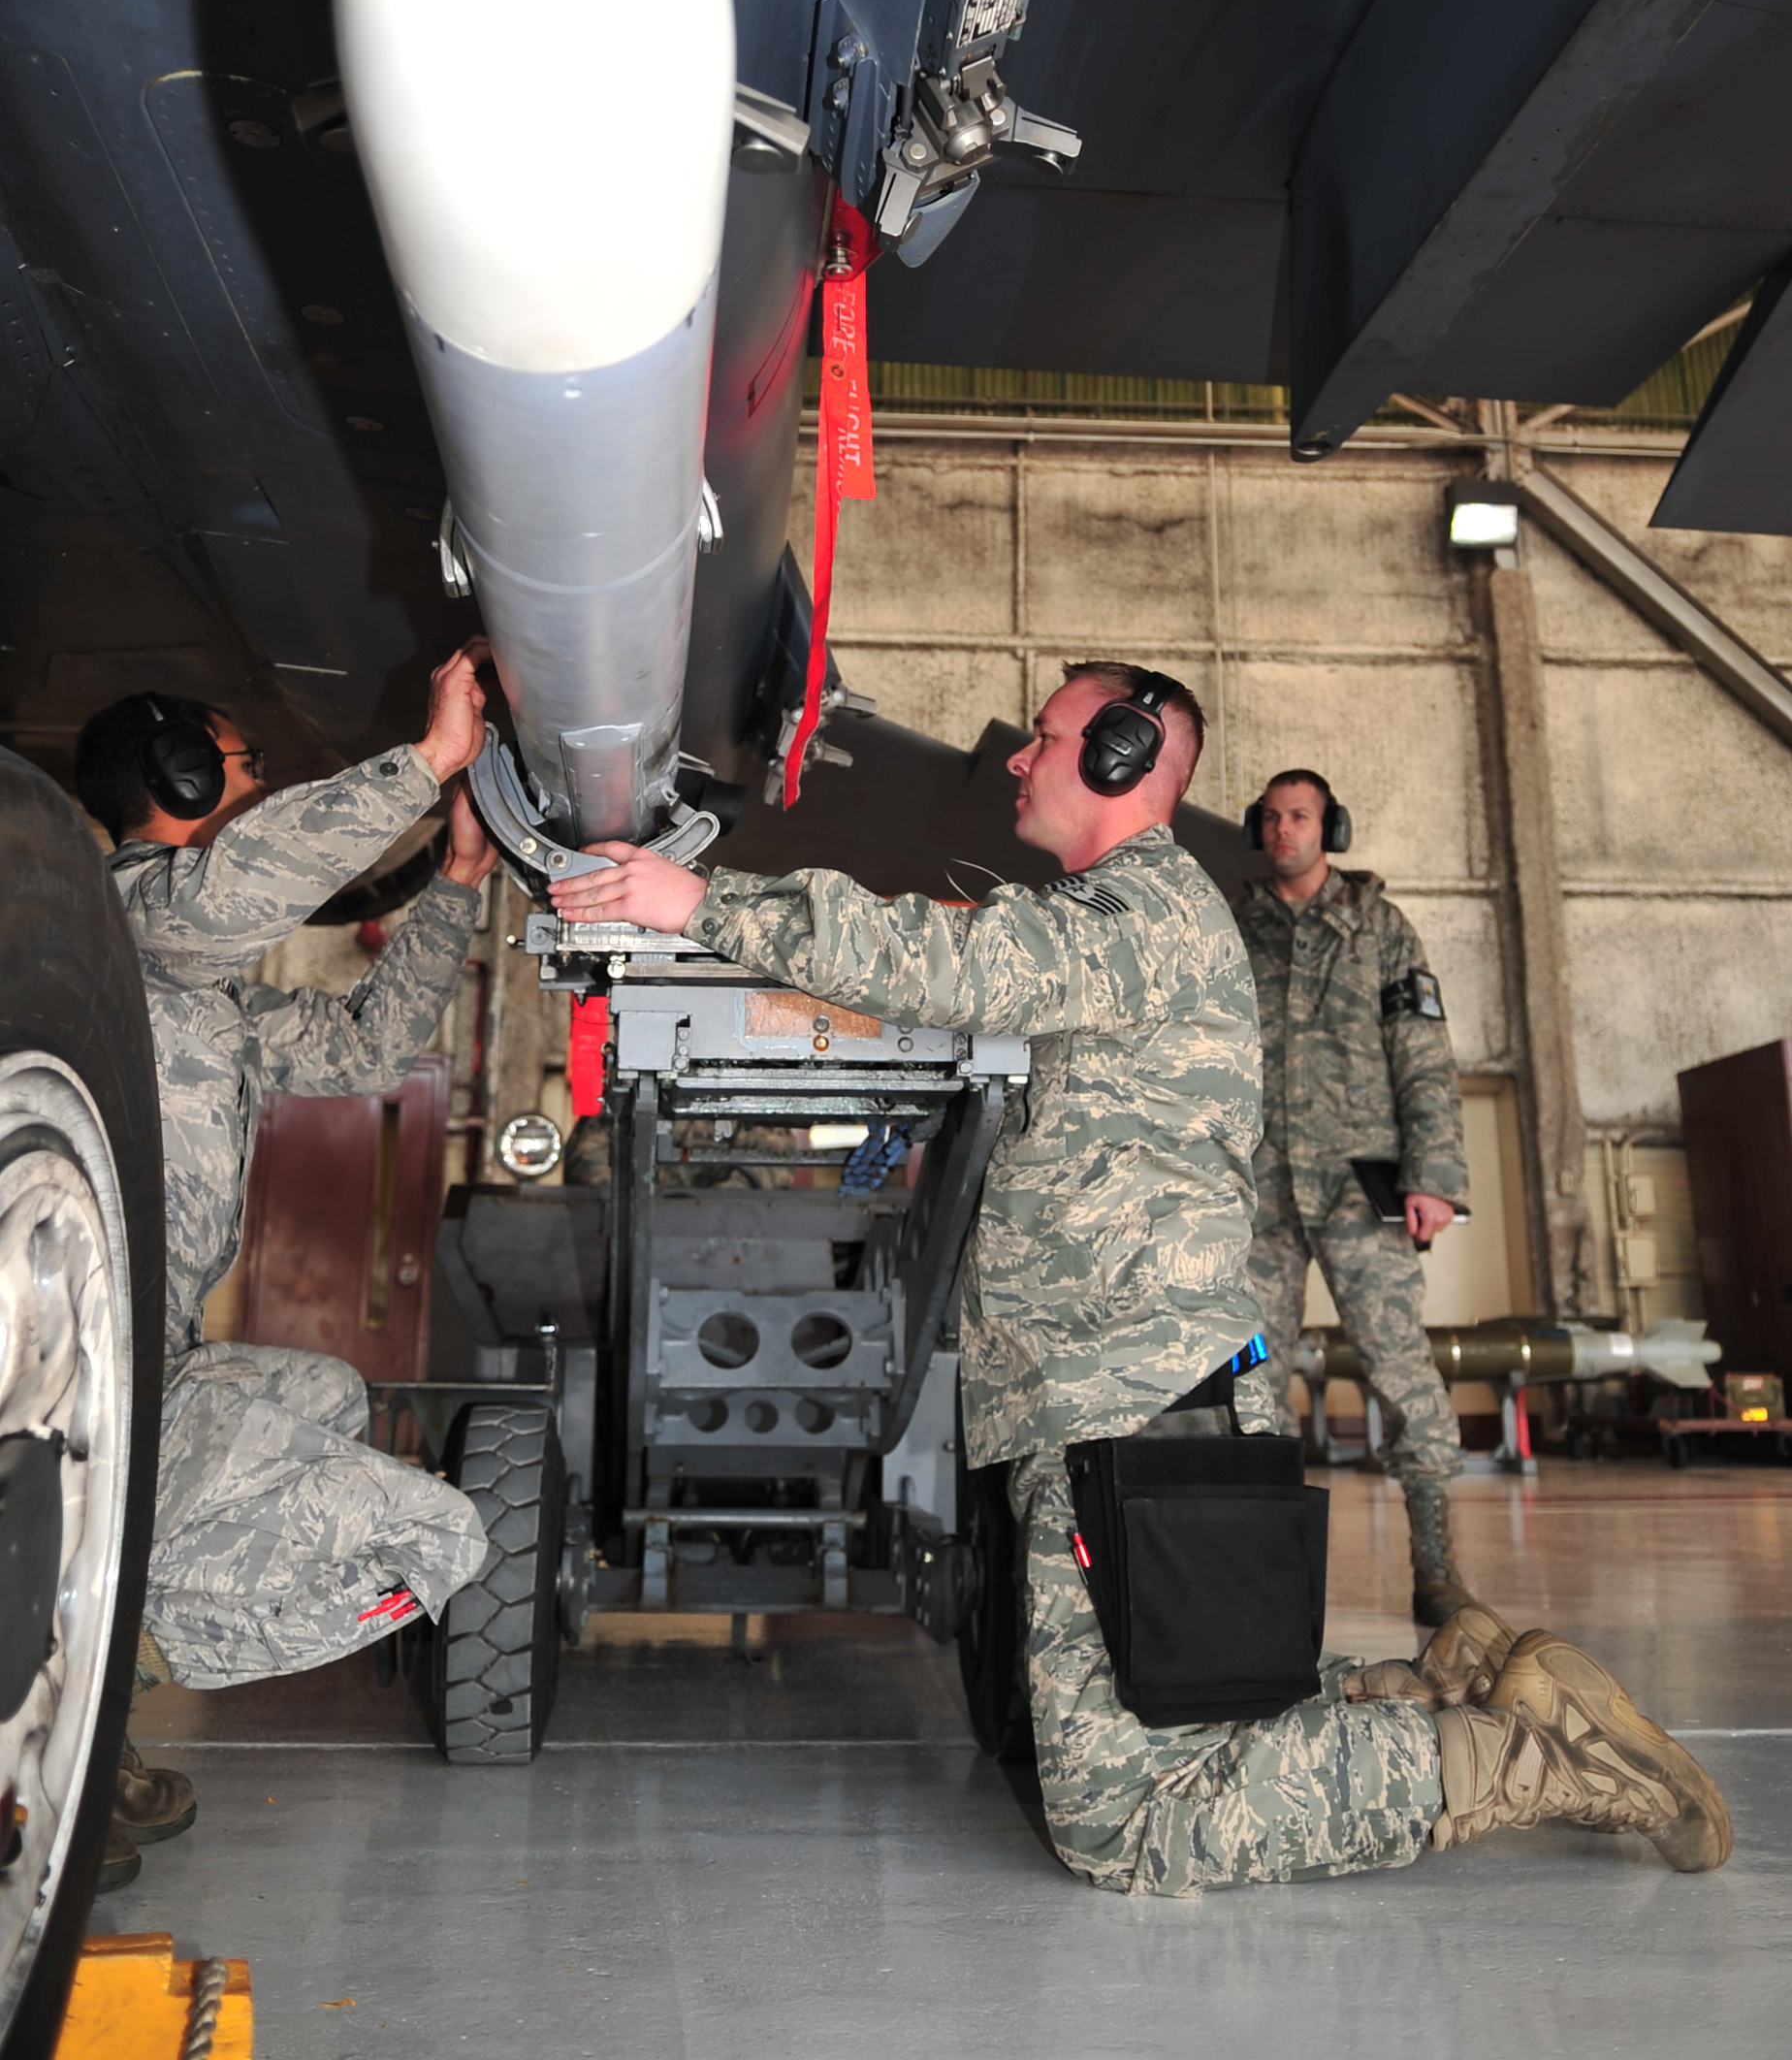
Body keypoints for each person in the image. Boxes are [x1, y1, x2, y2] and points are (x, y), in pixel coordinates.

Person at [546, 663, 1730, 1893]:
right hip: (1124, 1399)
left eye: (1045, 739)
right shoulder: (1119, 918)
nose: (1017, 758)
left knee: (1128, 1826)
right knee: (1195, 1699)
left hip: (1129, 1404)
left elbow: (949, 966)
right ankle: (1456, 1682)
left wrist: (699, 899)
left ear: (1123, 753)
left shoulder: (1138, 913)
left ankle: (1543, 1761)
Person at [74, 648, 499, 1889]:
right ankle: (82, 1711)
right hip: (78, 1364)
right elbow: (227, 897)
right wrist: (423, 765)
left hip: (157, 1351)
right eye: (250, 767)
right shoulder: (134, 916)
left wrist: (459, 883)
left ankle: (112, 1668)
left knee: (324, 1399)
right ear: (184, 775)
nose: (266, 787)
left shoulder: (205, 1000)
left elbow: (372, 1045)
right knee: (435, 1540)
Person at [1232, 770, 1473, 1625]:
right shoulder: (1237, 925)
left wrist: (1434, 1179)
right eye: (1270, 818)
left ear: (1330, 825)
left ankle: (1436, 1566)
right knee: (1247, 1379)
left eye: (1298, 817)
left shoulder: (1379, 929)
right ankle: (1257, 1569)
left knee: (1399, 1367)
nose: (1282, 831)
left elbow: (1423, 1059)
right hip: (1258, 1188)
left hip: (1356, 1184)